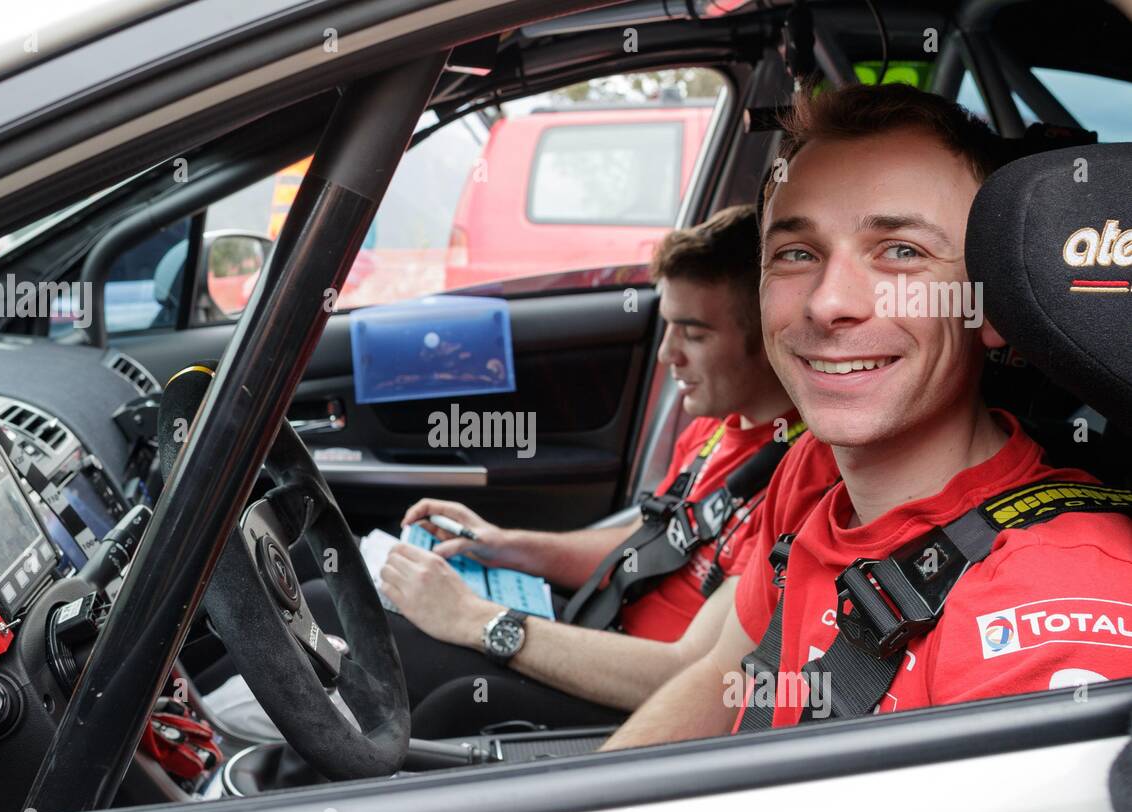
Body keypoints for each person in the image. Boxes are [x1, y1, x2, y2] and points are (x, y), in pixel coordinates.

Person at [601, 83, 1132, 751]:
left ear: (992, 309)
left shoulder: (1047, 595)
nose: (828, 304)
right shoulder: (810, 470)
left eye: (901, 251)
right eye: (797, 254)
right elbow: (721, 677)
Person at [378, 206, 839, 736]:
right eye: (669, 326)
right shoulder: (717, 430)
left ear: (771, 338)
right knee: (358, 605)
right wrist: (504, 544)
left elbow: (692, 671)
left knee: (430, 684)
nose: (667, 353)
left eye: (693, 333)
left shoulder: (806, 479)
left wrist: (473, 618)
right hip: (596, 630)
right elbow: (650, 545)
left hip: (641, 697)